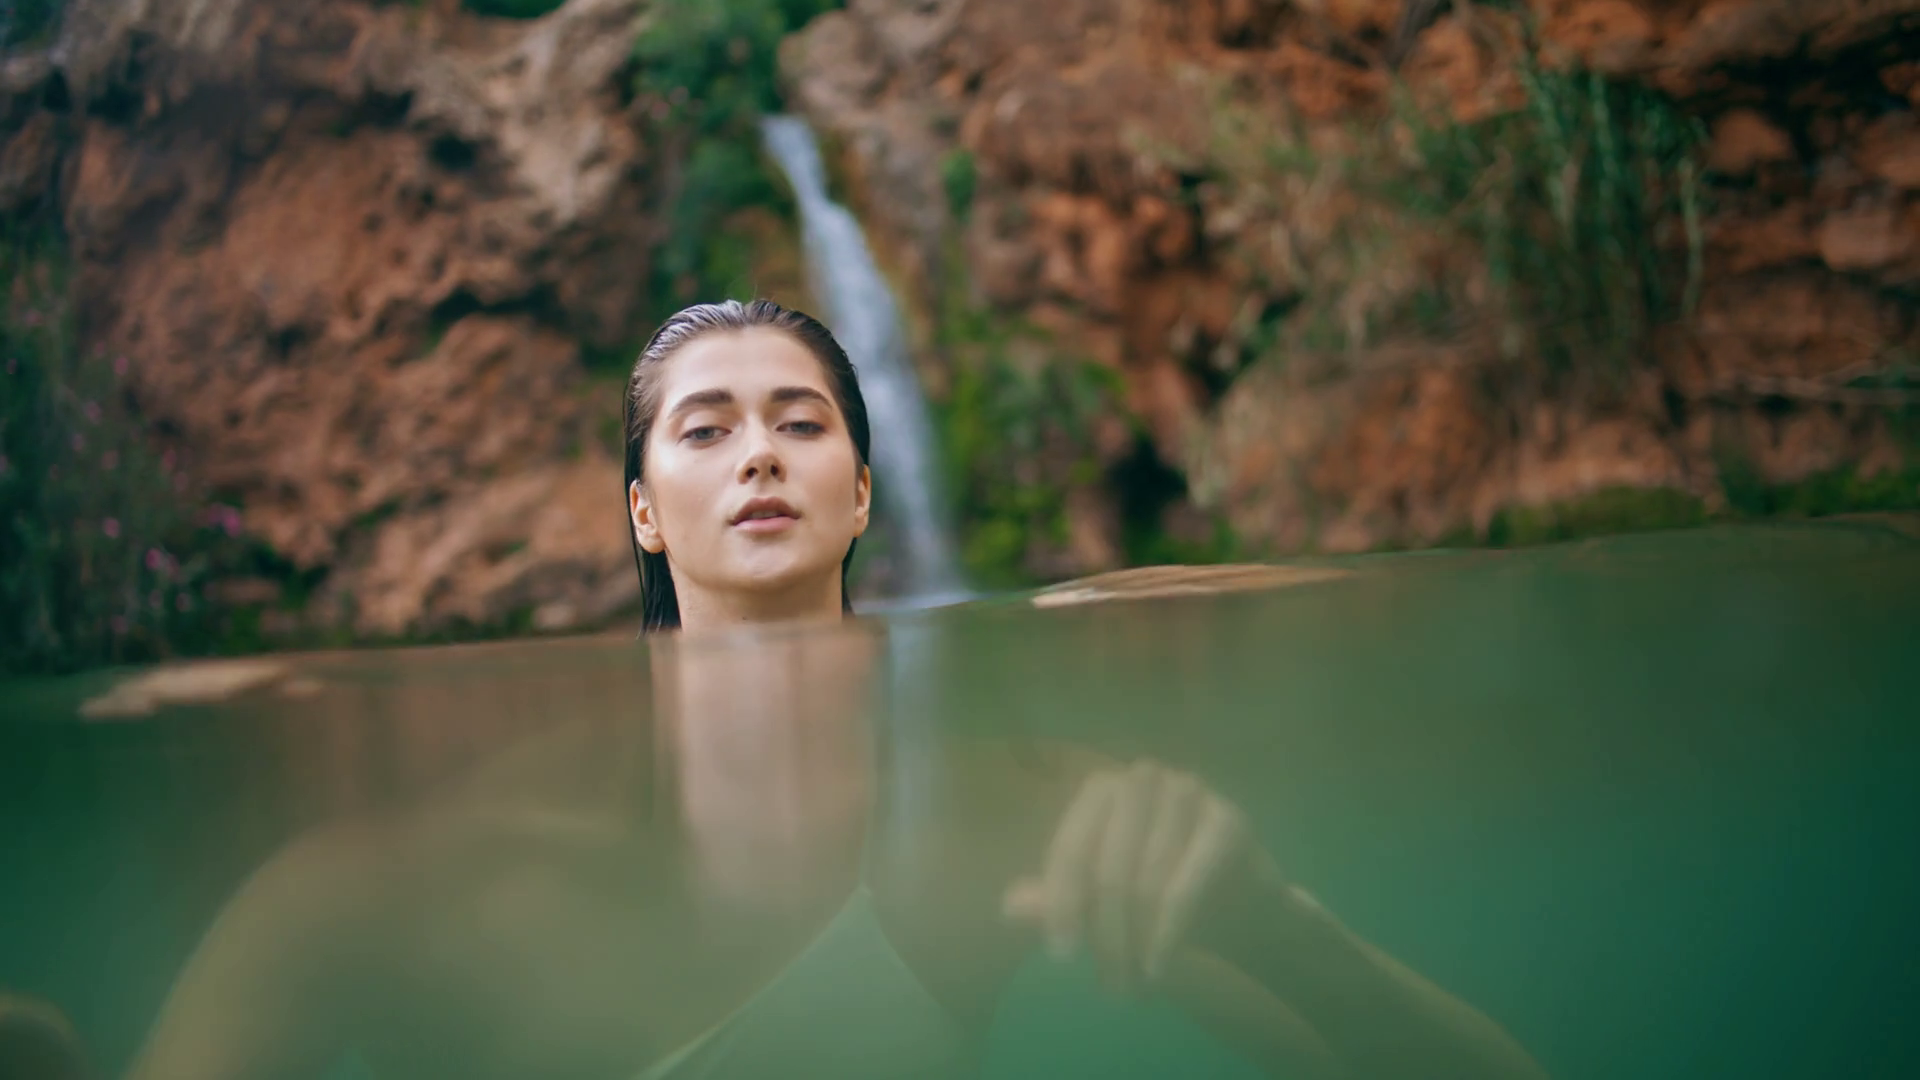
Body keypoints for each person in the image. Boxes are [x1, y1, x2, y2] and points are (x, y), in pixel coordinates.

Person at [96, 300, 1547, 1080]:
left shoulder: (1016, 817)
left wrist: (1280, 933)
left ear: (863, 493)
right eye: (706, 428)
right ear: (645, 513)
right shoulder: (387, 889)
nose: (761, 454)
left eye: (802, 422)